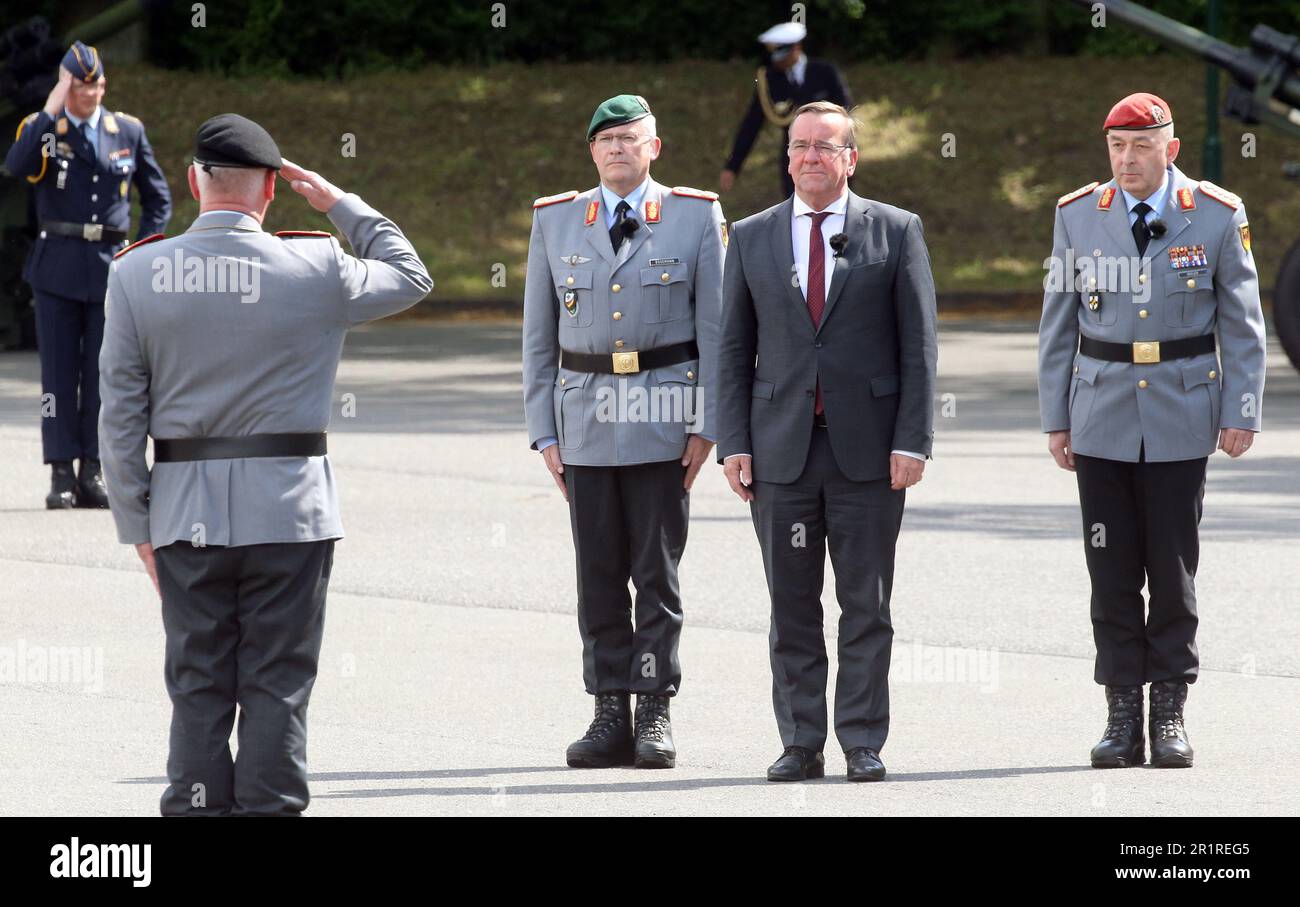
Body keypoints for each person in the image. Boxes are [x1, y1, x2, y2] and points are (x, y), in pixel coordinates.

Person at [98, 113, 432, 815]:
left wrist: (138, 523)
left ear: (193, 181)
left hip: (182, 513)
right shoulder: (316, 265)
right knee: (277, 681)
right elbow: (410, 273)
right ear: (273, 191)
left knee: (197, 680)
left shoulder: (136, 272)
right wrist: (336, 201)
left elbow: (120, 415)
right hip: (291, 512)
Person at [1038, 92, 1266, 769]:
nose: (1127, 160)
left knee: (1171, 569)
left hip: (1182, 409)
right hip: (1101, 411)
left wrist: (1240, 408)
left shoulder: (1217, 215)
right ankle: (1120, 714)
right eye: (1116, 147)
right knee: (1109, 571)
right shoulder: (1079, 215)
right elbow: (1057, 323)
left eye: (1141, 147)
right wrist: (1056, 416)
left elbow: (1242, 322)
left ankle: (1169, 711)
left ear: (1170, 149)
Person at [716, 101, 937, 782]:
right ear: (787, 158)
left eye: (825, 146)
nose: (811, 156)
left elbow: (918, 346)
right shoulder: (752, 236)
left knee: (866, 603)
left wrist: (913, 440)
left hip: (869, 454)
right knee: (791, 605)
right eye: (800, 146)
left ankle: (862, 739)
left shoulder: (896, 231)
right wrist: (733, 441)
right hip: (780, 450)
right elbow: (731, 347)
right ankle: (801, 740)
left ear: (851, 158)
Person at [522, 95, 725, 769]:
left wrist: (709, 423)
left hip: (665, 414)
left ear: (654, 148)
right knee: (598, 573)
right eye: (605, 139)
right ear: (591, 151)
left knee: (656, 572)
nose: (617, 148)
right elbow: (536, 337)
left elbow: (718, 333)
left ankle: (654, 706)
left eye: (630, 138)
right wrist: (542, 431)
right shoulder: (555, 221)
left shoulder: (694, 216)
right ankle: (609, 706)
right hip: (582, 418)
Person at [4, 41, 170, 509]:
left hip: (109, 266)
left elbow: (157, 198)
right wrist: (47, 109)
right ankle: (60, 472)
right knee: (57, 376)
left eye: (96, 84)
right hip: (57, 265)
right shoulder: (46, 130)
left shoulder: (127, 132)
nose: (90, 94)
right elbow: (15, 166)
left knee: (103, 374)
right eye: (80, 85)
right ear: (65, 86)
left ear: (104, 85)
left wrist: (141, 249)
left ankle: (93, 471)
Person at [719, 21, 852, 201]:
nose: (778, 60)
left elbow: (846, 113)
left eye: (782, 54)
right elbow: (751, 124)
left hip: (831, 154)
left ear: (796, 48)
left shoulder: (825, 72)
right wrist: (733, 166)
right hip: (795, 158)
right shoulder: (770, 80)